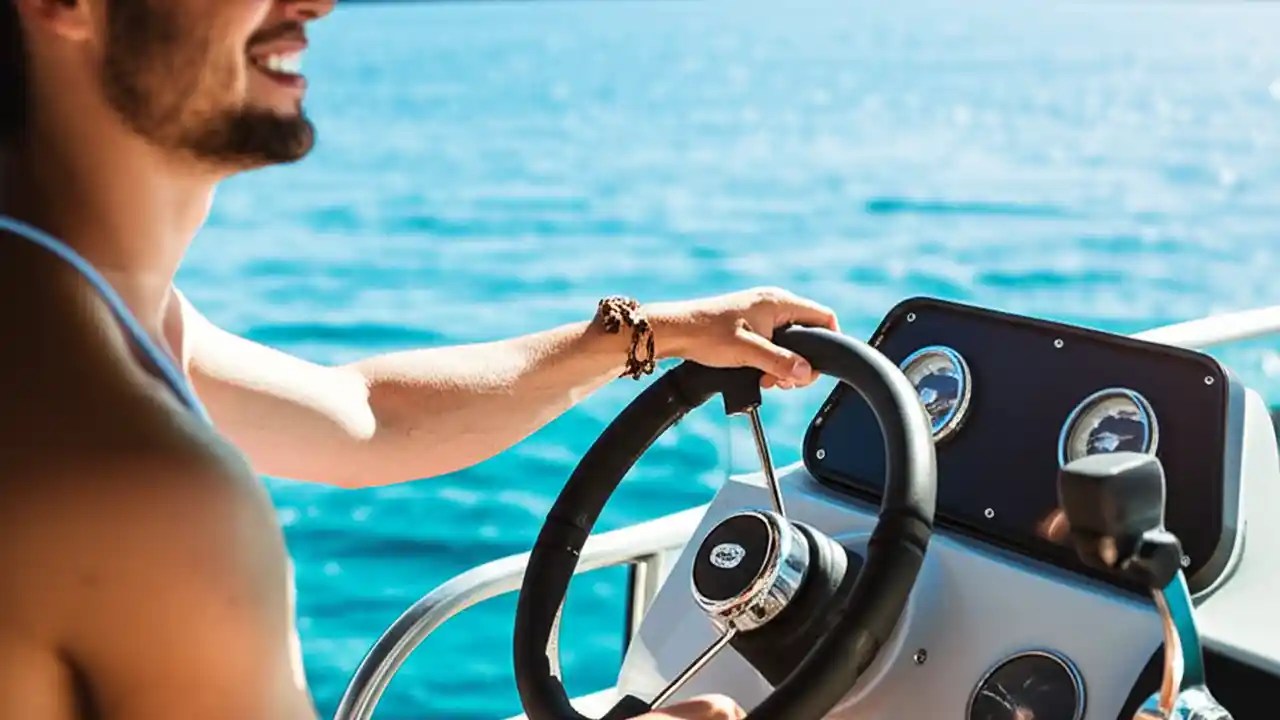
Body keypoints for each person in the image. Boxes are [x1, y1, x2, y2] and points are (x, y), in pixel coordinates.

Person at [0, 1, 841, 718]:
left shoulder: (78, 313)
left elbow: (368, 420)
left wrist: (656, 332)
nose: (318, 3)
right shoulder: (133, 480)